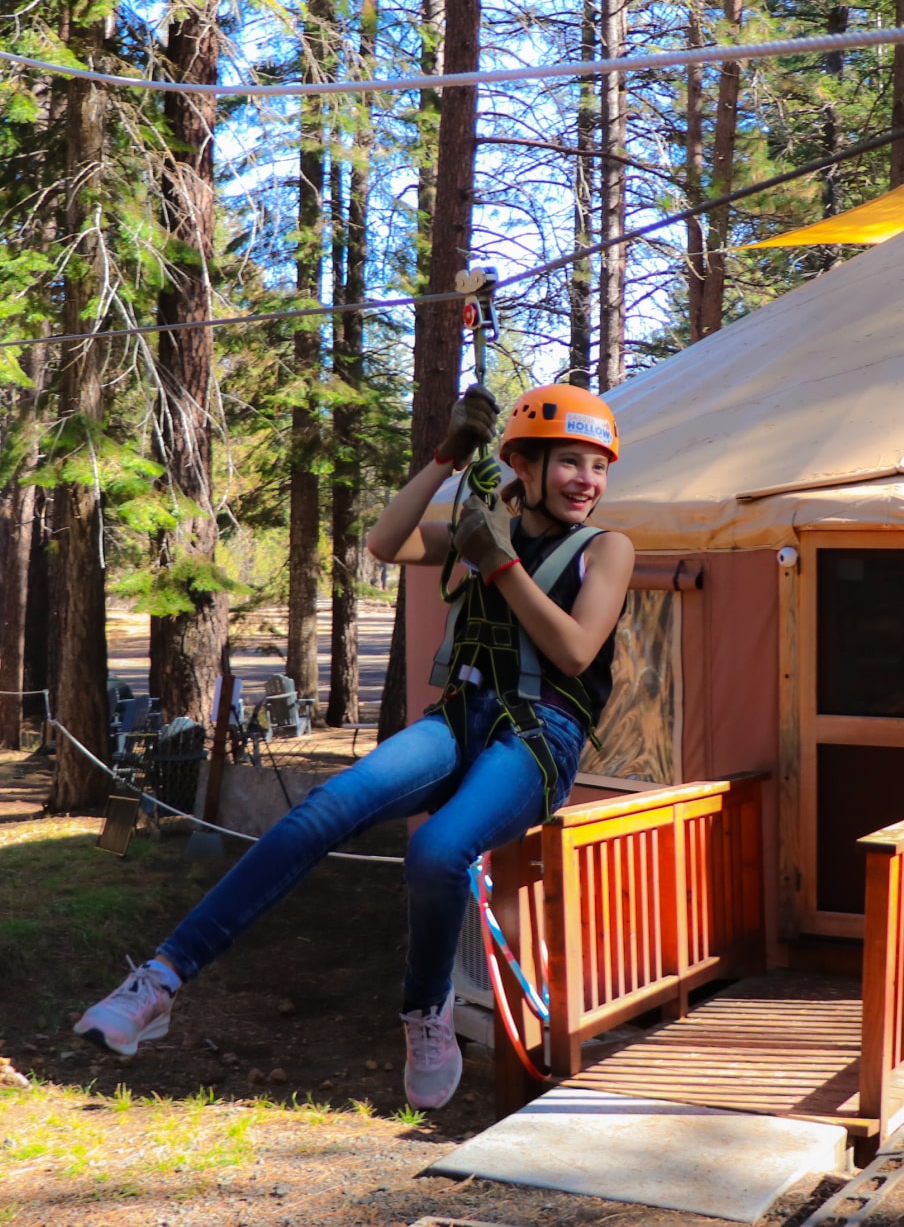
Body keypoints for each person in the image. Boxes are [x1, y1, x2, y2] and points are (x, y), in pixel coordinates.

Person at [74, 383, 634, 1111]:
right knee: (323, 808)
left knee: (436, 852)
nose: (587, 480)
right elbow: (385, 543)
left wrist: (500, 564)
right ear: (523, 466)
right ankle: (161, 979)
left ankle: (425, 1010)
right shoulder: (481, 530)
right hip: (460, 717)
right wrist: (447, 457)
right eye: (569, 463)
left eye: (598, 466)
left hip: (538, 740)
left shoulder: (605, 549)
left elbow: (575, 651)